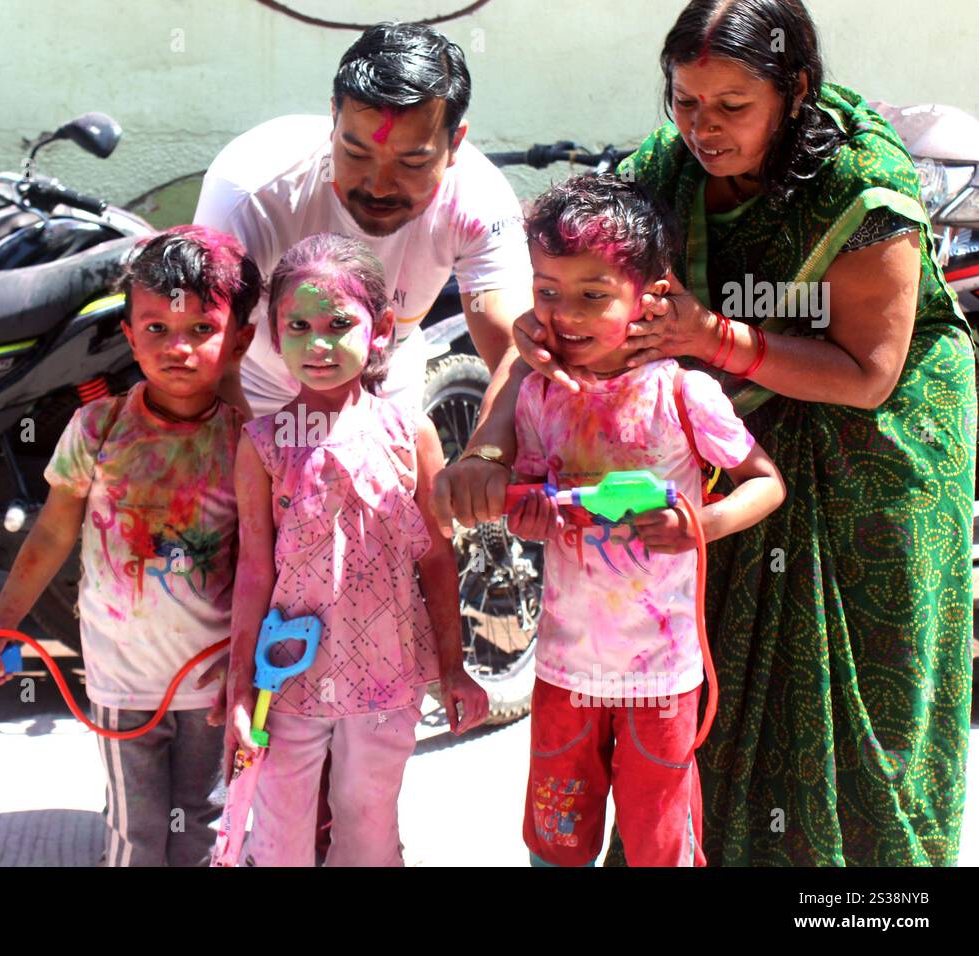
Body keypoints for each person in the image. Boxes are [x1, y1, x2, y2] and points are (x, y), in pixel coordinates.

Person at [507, 0, 975, 865]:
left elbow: (869, 372)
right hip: (725, 414)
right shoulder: (669, 166)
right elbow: (584, 278)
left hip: (874, 441)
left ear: (794, 90)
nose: (702, 129)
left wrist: (712, 338)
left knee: (857, 683)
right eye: (685, 102)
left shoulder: (859, 181)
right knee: (713, 661)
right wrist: (536, 339)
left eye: (731, 107)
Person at [507, 175, 785, 867]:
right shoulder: (541, 394)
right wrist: (531, 513)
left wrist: (699, 525)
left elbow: (766, 485)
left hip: (661, 675)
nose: (564, 314)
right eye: (547, 291)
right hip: (565, 666)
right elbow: (524, 504)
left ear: (651, 293)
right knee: (557, 839)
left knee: (658, 840)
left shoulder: (685, 393)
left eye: (591, 295)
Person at [0, 226, 260, 866]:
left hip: (215, 682)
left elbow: (265, 562)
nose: (177, 348)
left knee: (206, 828)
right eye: (156, 329)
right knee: (135, 831)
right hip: (121, 680)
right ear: (129, 337)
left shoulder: (250, 440)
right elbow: (51, 532)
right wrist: (1, 626)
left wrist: (248, 669)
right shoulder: (97, 429)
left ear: (239, 341)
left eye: (201, 331)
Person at [225, 232, 489, 866]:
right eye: (299, 325)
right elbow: (255, 569)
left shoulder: (410, 435)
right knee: (278, 832)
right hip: (283, 676)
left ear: (380, 330)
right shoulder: (262, 443)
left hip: (386, 673)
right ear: (273, 331)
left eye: (339, 323)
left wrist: (452, 668)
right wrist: (238, 688)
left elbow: (435, 558)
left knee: (369, 822)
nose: (318, 343)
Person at [194, 20, 547, 431]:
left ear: (455, 144)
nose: (378, 186)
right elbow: (209, 348)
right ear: (333, 118)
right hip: (256, 395)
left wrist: (487, 454)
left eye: (411, 163)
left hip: (384, 390)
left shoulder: (477, 198)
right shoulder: (251, 191)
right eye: (356, 153)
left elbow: (513, 345)